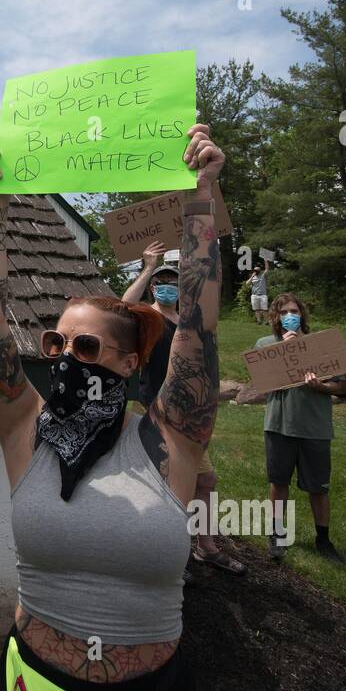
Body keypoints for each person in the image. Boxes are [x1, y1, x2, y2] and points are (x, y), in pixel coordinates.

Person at [0, 123, 225, 691]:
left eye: (85, 347)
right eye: (55, 345)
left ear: (130, 364)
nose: (65, 357)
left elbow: (199, 333)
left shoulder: (169, 441)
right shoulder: (27, 429)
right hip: (32, 679)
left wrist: (201, 198)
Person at [122, 242, 245, 577]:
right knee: (167, 483)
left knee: (205, 481)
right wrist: (148, 266)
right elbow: (121, 308)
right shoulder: (147, 317)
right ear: (152, 287)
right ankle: (172, 555)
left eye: (172, 282)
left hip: (190, 415)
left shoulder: (189, 321)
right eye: (159, 282)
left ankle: (206, 548)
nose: (166, 287)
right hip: (156, 412)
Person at [257, 294, 346, 565]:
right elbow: (264, 383)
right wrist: (285, 352)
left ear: (302, 314)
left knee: (318, 487)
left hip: (315, 427)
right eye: (283, 312)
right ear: (275, 316)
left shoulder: (321, 346)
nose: (289, 316)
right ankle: (276, 534)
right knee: (278, 482)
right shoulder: (265, 345)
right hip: (279, 425)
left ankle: (323, 539)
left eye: (294, 311)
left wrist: (322, 386)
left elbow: (341, 386)